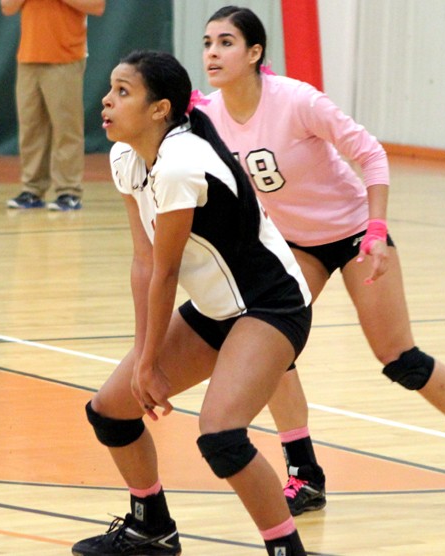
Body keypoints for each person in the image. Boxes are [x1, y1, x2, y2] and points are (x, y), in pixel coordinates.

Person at [199, 6, 445, 516]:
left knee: (399, 359)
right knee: (271, 349)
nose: (213, 53)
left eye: (225, 43)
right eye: (208, 43)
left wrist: (375, 229)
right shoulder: (211, 113)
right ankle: (304, 473)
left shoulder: (297, 101)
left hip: (353, 234)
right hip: (295, 245)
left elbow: (371, 153)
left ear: (255, 53)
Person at [72, 51, 313, 556]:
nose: (107, 100)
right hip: (215, 310)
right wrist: (144, 360)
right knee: (111, 412)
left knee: (221, 435)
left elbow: (166, 271)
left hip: (270, 306)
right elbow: (144, 261)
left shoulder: (182, 162)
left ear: (160, 109)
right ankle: (150, 529)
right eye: (110, 89)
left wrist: (149, 362)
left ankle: (286, 549)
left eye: (122, 91)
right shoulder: (125, 156)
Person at [1, 0, 105, 211]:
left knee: (66, 127)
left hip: (65, 57)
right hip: (28, 57)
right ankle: (32, 189)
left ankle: (69, 191)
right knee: (30, 127)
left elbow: (97, 6)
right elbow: (7, 7)